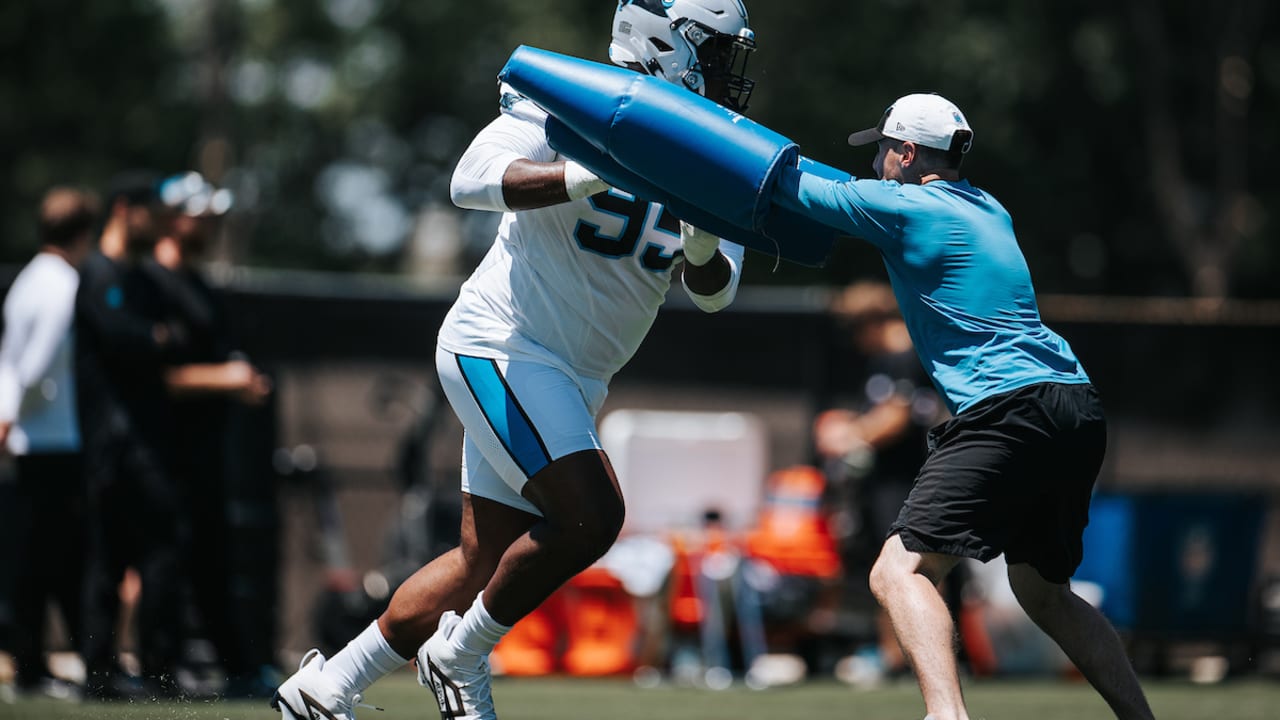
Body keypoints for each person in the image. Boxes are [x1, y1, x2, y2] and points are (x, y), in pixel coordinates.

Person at [271, 2, 757, 719]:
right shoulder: (578, 100)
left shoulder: (715, 140)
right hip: (503, 343)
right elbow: (469, 179)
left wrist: (702, 242)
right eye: (715, 53)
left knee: (481, 562)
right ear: (667, 43)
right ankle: (462, 655)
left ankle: (325, 686)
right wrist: (584, 175)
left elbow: (715, 295)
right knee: (592, 518)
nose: (727, 72)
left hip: (576, 376)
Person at [774, 94, 1155, 720]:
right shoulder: (990, 207)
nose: (874, 161)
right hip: (1076, 404)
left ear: (905, 152)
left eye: (881, 148)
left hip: (1009, 409)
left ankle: (946, 716)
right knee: (1044, 591)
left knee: (897, 572)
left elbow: (791, 186)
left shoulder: (904, 207)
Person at [149, 171, 275, 696]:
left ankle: (238, 667)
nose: (209, 227)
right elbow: (157, 376)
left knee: (211, 560)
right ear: (172, 218)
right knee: (164, 559)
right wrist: (225, 378)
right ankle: (159, 668)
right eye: (201, 217)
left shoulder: (200, 285)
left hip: (205, 449)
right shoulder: (151, 285)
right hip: (161, 449)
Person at [74, 171, 187, 699]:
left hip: (148, 439)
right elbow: (126, 339)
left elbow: (172, 335)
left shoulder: (142, 279)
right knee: (107, 561)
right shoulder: (99, 273)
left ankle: (157, 667)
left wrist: (157, 337)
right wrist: (153, 337)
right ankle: (100, 673)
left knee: (161, 551)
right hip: (111, 443)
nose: (161, 224)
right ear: (124, 209)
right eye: (151, 212)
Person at [811, 281, 944, 682]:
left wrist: (848, 435)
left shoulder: (903, 355)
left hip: (905, 481)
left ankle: (898, 657)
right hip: (884, 480)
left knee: (904, 569)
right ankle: (893, 653)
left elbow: (897, 418)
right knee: (889, 568)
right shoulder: (885, 358)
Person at [0, 187, 98, 700]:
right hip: (53, 442)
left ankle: (32, 666)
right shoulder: (64, 285)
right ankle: (47, 668)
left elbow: (8, 362)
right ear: (83, 233)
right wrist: (10, 415)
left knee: (31, 558)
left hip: (28, 441)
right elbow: (35, 362)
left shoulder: (25, 280)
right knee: (59, 561)